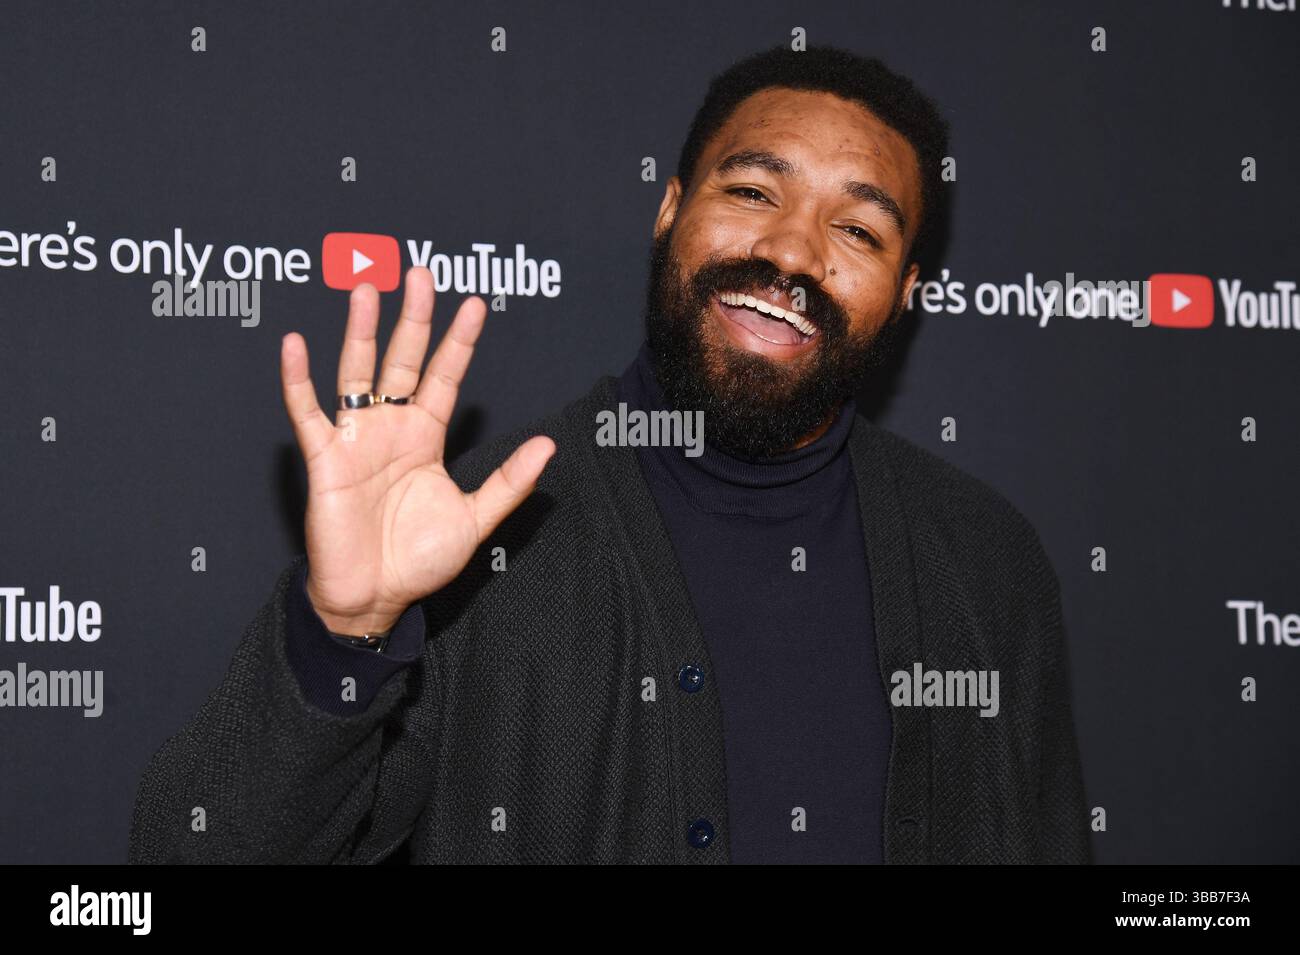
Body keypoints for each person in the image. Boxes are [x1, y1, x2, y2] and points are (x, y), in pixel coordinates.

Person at [129, 44, 1091, 864]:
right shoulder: (477, 543)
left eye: (858, 229)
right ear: (669, 209)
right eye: (754, 189)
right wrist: (345, 635)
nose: (794, 255)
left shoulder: (987, 564)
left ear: (907, 290)